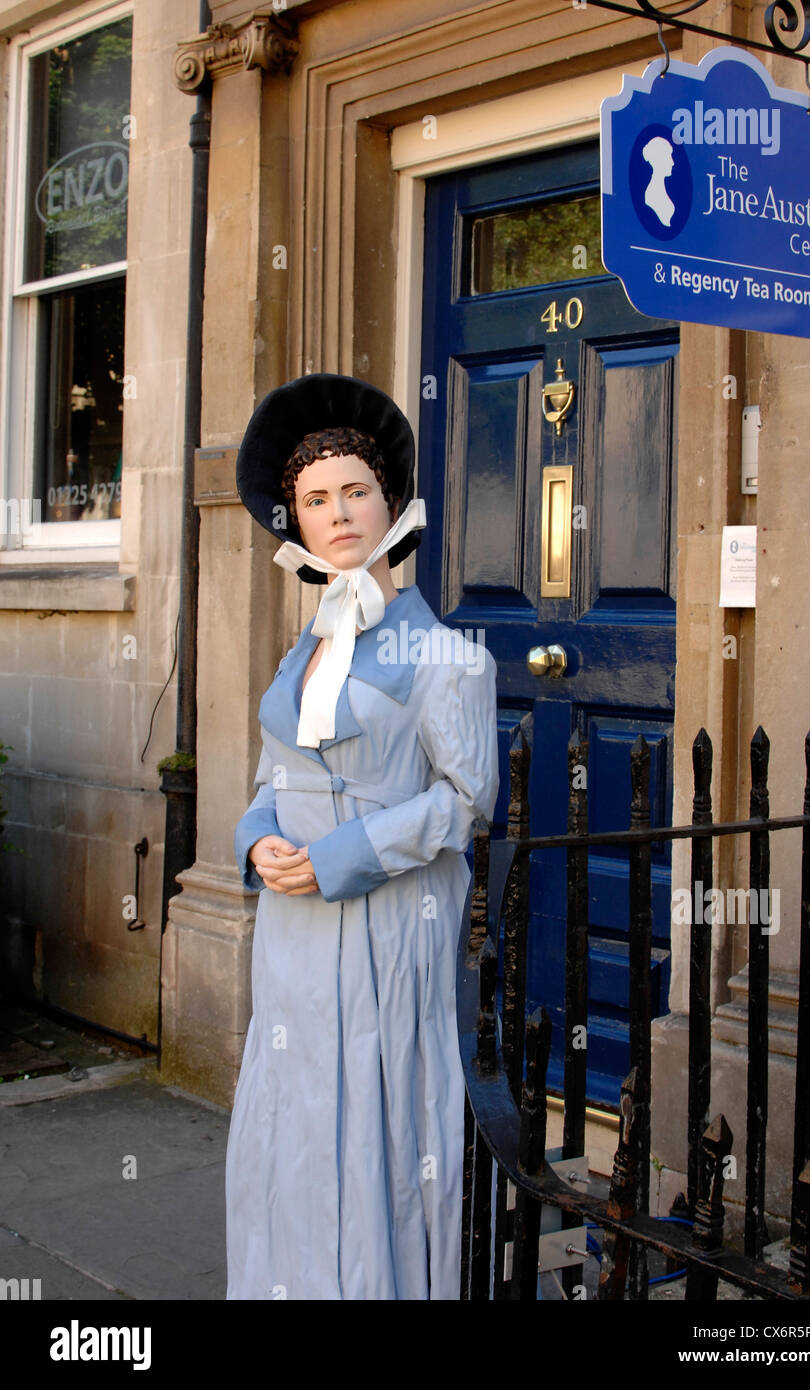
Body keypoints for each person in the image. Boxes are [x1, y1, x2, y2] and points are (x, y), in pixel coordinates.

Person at [225, 373, 500, 1300]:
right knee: (294, 1116)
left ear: (391, 506)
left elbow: (465, 803)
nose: (337, 513)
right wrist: (255, 839)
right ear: (294, 523)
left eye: (354, 491)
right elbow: (271, 773)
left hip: (384, 929)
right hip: (290, 936)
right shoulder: (296, 653)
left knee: (373, 1121)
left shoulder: (448, 658)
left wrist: (340, 857)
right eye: (315, 498)